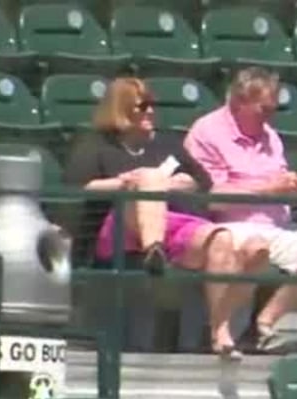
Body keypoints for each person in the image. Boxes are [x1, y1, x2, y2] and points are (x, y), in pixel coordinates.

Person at [65, 77, 272, 358]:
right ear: (121, 108)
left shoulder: (165, 144)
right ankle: (154, 251)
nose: (151, 111)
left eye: (153, 105)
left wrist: (172, 182)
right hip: (115, 227)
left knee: (220, 240)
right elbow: (80, 187)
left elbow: (201, 180)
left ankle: (219, 332)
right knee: (148, 178)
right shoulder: (97, 145)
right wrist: (125, 182)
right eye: (143, 105)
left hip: (169, 221)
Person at [184, 67, 297, 353]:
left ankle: (265, 322)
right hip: (227, 226)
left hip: (277, 225)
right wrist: (268, 190)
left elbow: (277, 182)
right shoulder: (206, 133)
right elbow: (211, 198)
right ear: (238, 102)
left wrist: (293, 185)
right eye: (264, 109)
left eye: (274, 109)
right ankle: (220, 331)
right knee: (256, 247)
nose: (270, 116)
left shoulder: (271, 136)